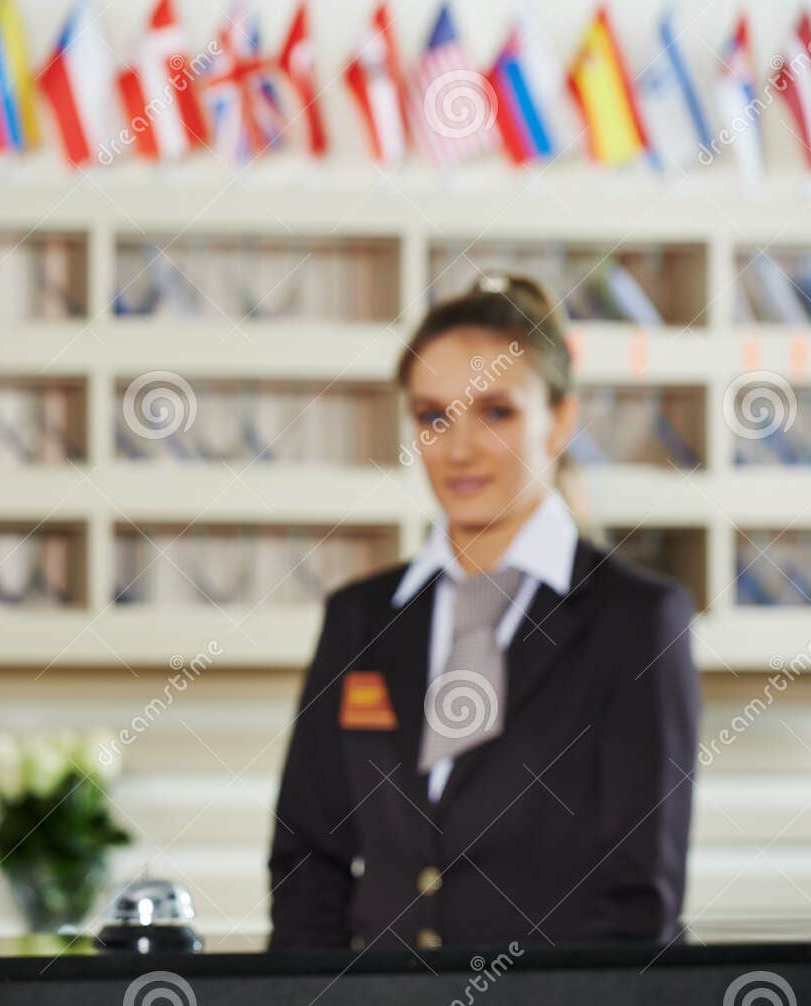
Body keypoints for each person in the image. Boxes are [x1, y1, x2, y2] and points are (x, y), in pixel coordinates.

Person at [268, 272, 699, 952]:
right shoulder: (359, 618)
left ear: (560, 420)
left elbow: (638, 898)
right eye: (433, 416)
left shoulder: (635, 621)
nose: (459, 448)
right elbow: (307, 863)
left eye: (495, 412)